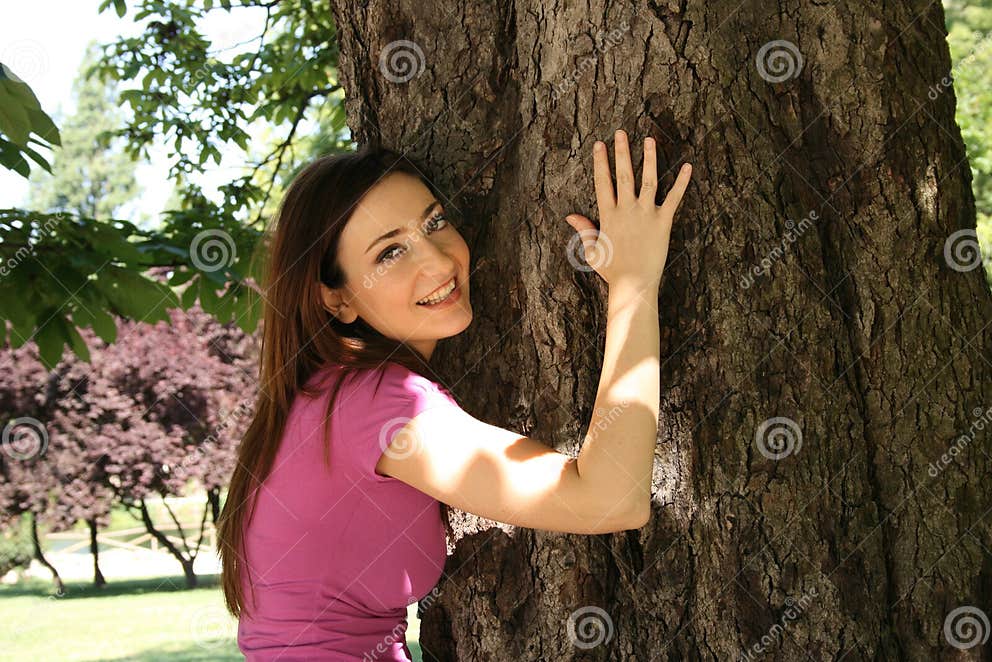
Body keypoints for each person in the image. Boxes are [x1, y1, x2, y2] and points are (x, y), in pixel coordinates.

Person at [216, 130, 693, 660]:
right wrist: (634, 282)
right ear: (338, 298)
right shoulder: (374, 405)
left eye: (434, 223)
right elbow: (609, 498)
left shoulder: (322, 400)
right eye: (390, 251)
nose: (440, 262)